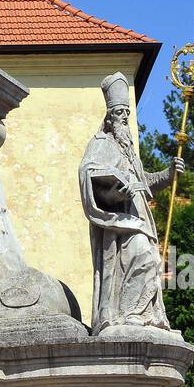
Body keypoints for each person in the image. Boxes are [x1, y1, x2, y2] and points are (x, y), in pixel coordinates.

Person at [78, 73, 184, 335]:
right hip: (117, 225)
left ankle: (142, 314)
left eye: (127, 112)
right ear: (109, 117)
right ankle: (128, 314)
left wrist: (169, 174)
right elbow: (89, 176)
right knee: (142, 256)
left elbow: (146, 182)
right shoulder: (101, 143)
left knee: (149, 260)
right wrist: (115, 194)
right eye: (119, 113)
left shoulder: (129, 150)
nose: (124, 117)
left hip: (138, 220)